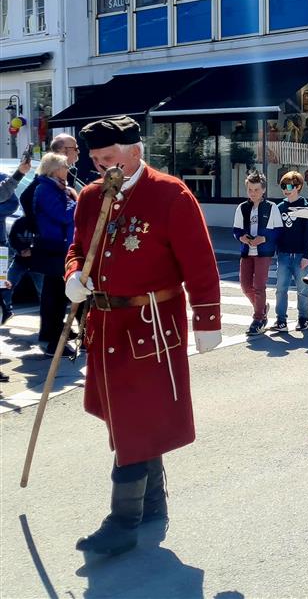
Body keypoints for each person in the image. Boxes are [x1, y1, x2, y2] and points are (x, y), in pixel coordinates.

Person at [65, 115, 222, 556]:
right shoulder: (92, 197)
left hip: (151, 329)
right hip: (104, 325)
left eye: (108, 158)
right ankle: (153, 503)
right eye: (94, 160)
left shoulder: (170, 194)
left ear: (135, 150)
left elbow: (200, 261)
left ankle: (122, 522)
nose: (100, 168)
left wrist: (208, 318)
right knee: (127, 419)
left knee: (134, 420)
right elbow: (78, 247)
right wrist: (74, 274)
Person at [24, 153, 77, 359]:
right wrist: (77, 201)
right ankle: (55, 343)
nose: (68, 169)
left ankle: (56, 341)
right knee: (55, 299)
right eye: (64, 166)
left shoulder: (55, 187)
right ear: (55, 169)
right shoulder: (46, 188)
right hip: (54, 248)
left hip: (59, 247)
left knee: (56, 297)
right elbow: (63, 215)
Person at [233, 171, 282, 335]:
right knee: (246, 286)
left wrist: (264, 238)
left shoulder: (271, 207)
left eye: (256, 190)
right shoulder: (242, 208)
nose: (253, 193)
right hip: (247, 252)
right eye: (250, 190)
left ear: (263, 190)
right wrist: (242, 237)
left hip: (263, 253)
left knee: (259, 286)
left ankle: (258, 319)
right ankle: (262, 308)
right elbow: (236, 230)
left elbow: (278, 230)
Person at [272, 171, 308, 332]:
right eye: (283, 186)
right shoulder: (280, 207)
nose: (285, 189)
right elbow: (276, 230)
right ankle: (280, 320)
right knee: (280, 289)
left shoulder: (305, 207)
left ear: (298, 187)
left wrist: (306, 256)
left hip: (299, 256)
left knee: (302, 289)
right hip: (283, 255)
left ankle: (303, 319)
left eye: (289, 186)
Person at [0, 154, 34, 324]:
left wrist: (19, 173)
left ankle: (5, 308)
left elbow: (5, 196)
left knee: (2, 283)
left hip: (0, 247)